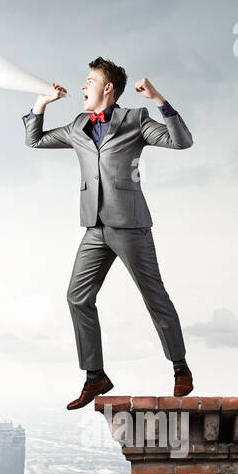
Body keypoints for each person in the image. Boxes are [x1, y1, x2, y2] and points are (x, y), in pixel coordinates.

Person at [22, 57, 194, 409]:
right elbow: (35, 140)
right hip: (94, 228)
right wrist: (41, 103)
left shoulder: (135, 120)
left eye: (89, 81)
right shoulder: (78, 125)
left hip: (131, 225)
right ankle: (94, 375)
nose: (83, 87)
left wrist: (159, 100)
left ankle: (180, 367)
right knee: (77, 297)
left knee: (154, 296)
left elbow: (182, 141)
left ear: (108, 88)